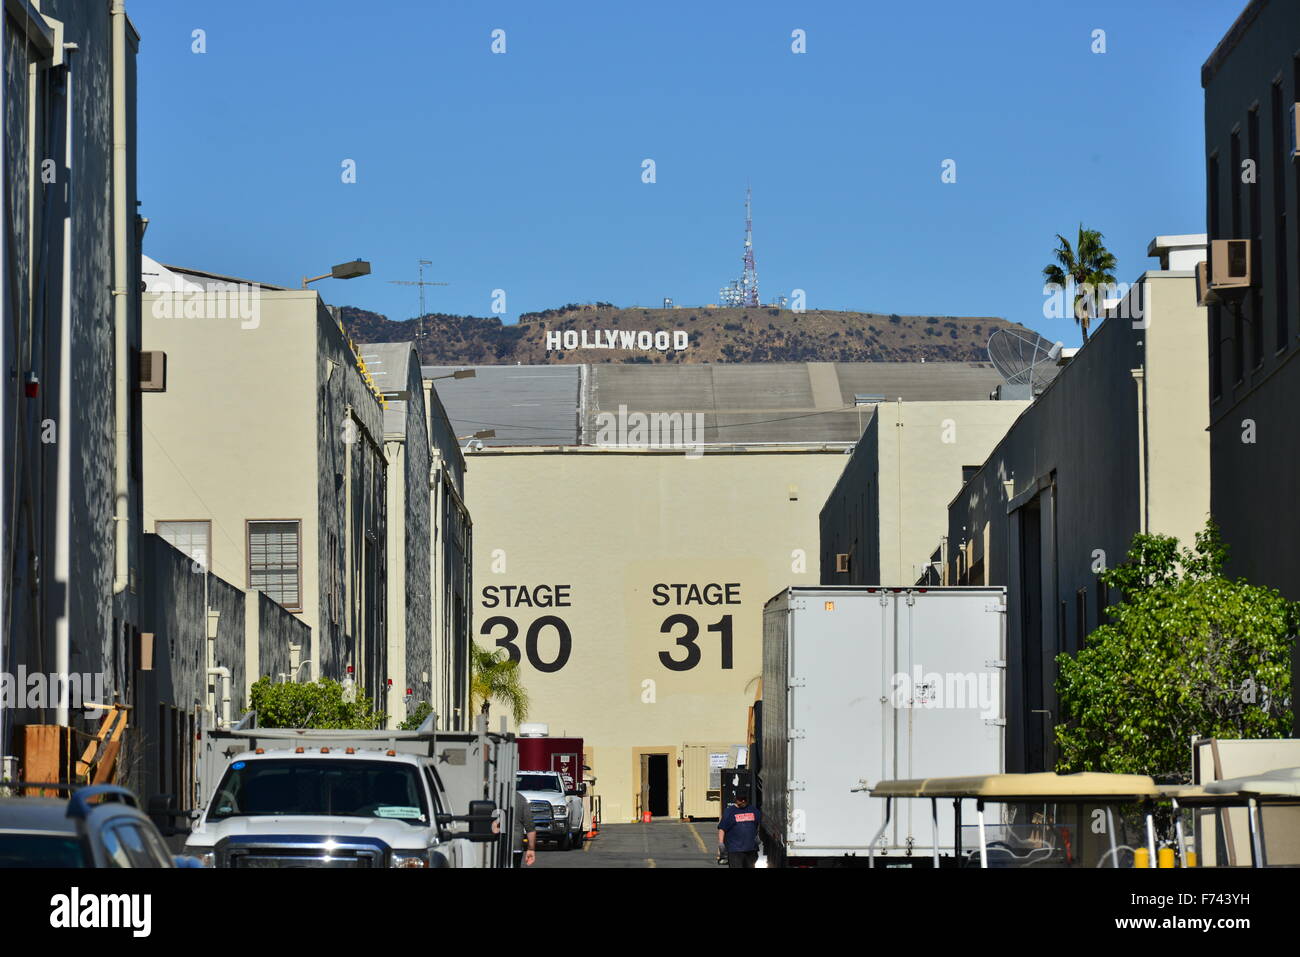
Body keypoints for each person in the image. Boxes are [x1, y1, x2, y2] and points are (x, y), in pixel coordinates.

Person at [717, 790, 761, 868]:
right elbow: (722, 828)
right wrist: (721, 844)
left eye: (744, 799)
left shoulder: (753, 810)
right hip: (735, 850)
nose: (743, 801)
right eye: (741, 799)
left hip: (751, 849)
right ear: (736, 799)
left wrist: (758, 836)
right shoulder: (729, 811)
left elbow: (759, 823)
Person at [513, 790, 537, 868]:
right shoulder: (520, 799)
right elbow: (530, 826)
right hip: (515, 846)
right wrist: (531, 848)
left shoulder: (488, 796)